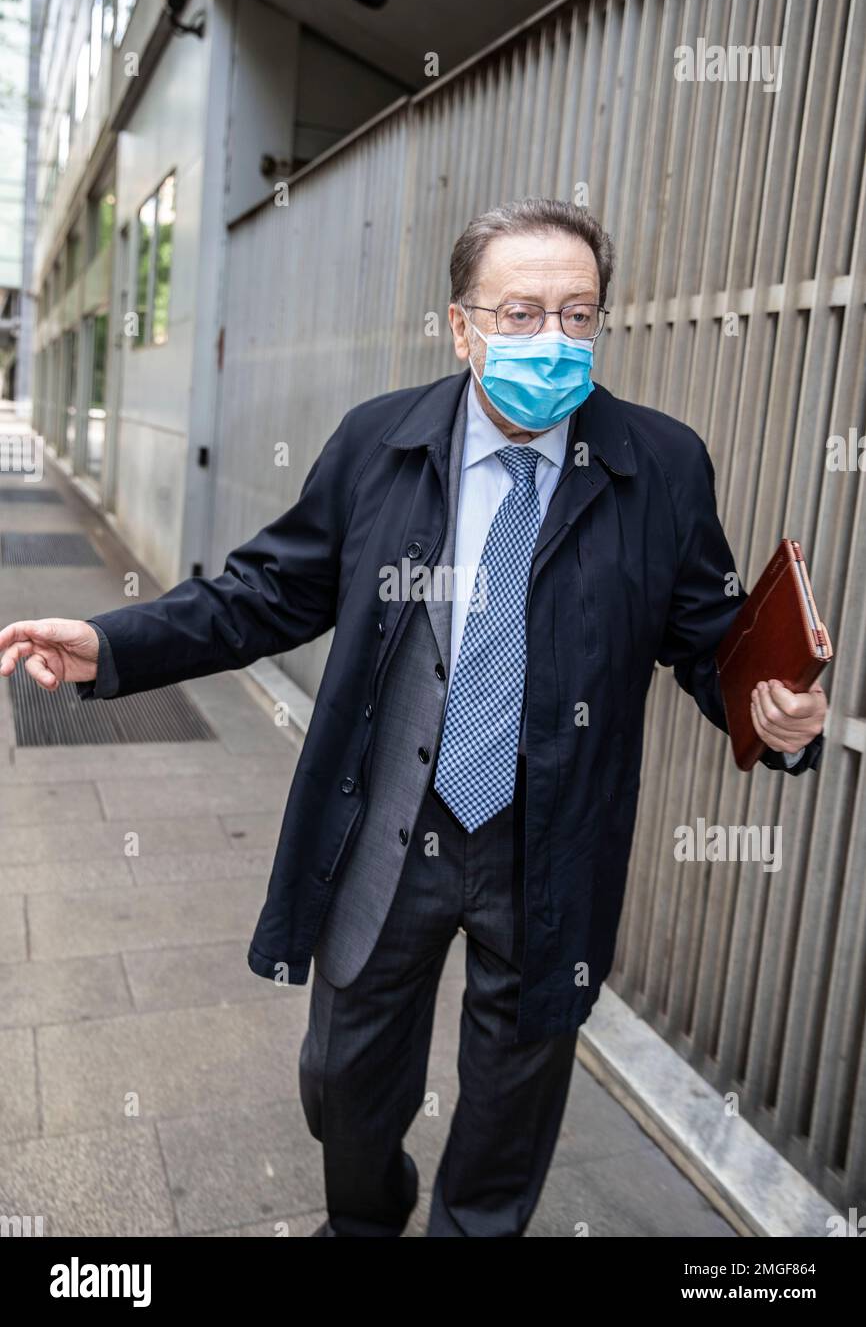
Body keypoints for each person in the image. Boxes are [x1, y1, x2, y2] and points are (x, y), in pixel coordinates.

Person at [0, 198, 826, 1237]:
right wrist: (115, 644)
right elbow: (264, 592)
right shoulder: (378, 443)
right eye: (518, 312)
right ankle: (368, 1211)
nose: (551, 339)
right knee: (340, 1083)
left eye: (577, 314)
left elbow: (705, 636)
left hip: (549, 849)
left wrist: (767, 713)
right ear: (460, 324)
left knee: (506, 1120)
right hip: (391, 825)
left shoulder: (657, 464)